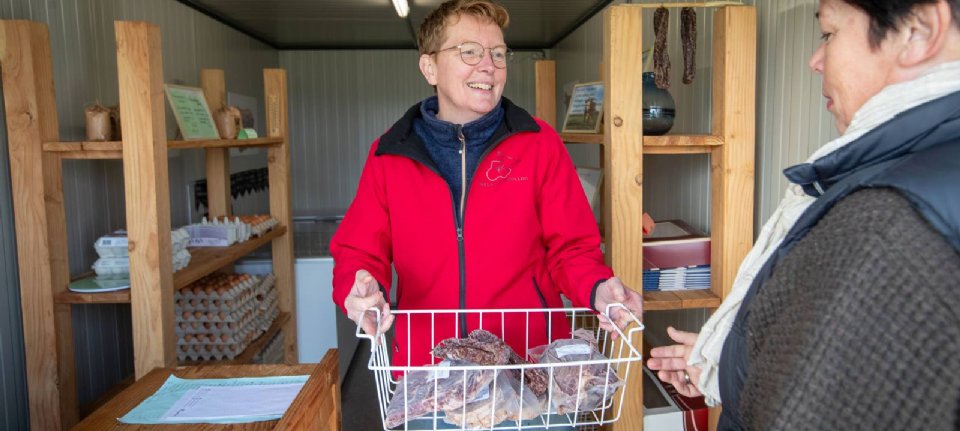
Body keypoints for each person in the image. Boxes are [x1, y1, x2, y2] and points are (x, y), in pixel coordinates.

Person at [647, 0, 960, 429]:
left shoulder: (885, 224)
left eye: (829, 34)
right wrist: (731, 358)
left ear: (919, 31)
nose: (815, 61)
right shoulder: (908, 182)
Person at [331, 0, 642, 373]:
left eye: (497, 53)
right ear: (429, 66)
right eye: (469, 52)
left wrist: (598, 288)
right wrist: (360, 290)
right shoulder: (390, 156)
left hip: (530, 364)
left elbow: (573, 249)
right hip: (428, 370)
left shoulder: (539, 145)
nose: (488, 65)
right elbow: (359, 252)